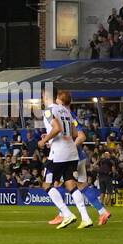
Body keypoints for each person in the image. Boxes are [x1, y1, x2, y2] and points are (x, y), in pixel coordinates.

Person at [38, 89, 94, 230]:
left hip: (59, 153)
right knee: (70, 184)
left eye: (43, 95)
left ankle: (67, 214)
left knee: (46, 184)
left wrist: (44, 140)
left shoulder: (48, 111)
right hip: (72, 152)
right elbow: (75, 133)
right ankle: (86, 218)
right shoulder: (66, 110)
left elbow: (56, 129)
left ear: (48, 96)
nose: (42, 98)